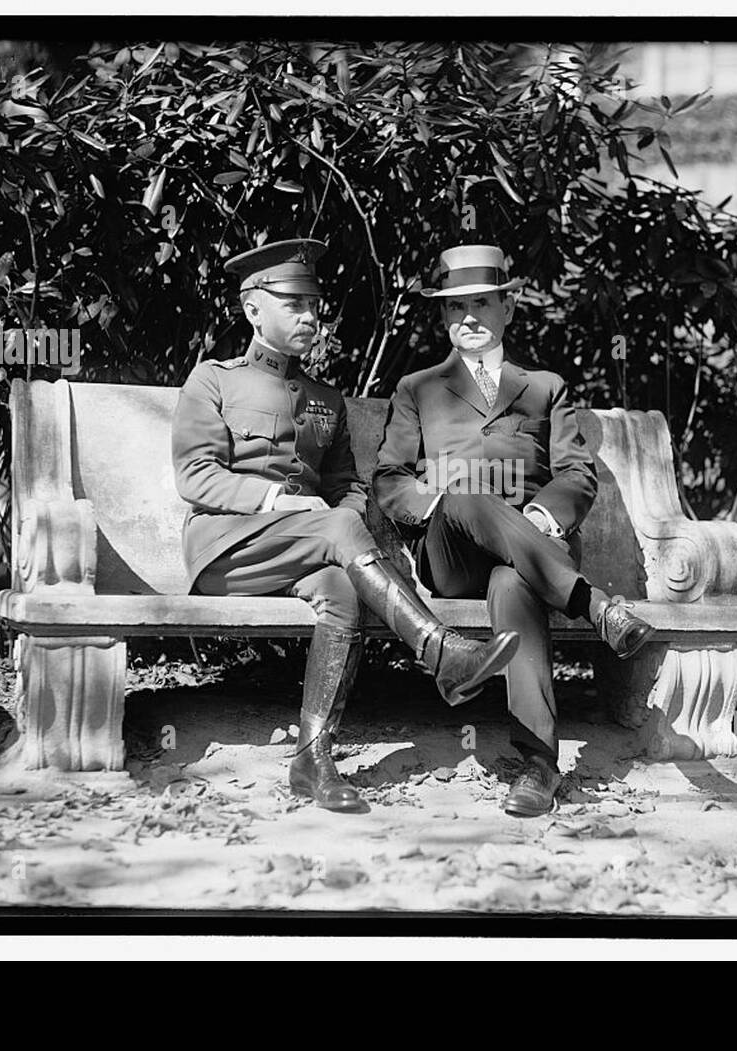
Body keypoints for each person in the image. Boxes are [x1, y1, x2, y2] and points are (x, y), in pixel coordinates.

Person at [171, 238, 519, 813]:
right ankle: (441, 652)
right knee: (335, 532)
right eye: (294, 305)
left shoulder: (323, 397)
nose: (311, 316)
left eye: (314, 305)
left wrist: (348, 517)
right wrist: (277, 504)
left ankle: (312, 758)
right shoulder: (213, 380)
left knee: (342, 594)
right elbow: (195, 476)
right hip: (226, 550)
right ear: (253, 308)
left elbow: (344, 487)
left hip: (312, 550)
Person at [373, 244, 655, 818]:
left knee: (512, 583)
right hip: (450, 546)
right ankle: (595, 605)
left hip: (533, 547)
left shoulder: (545, 386)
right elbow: (389, 478)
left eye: (481, 303)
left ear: (508, 307)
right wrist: (432, 507)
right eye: (455, 309)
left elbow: (576, 473)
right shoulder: (417, 388)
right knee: (465, 493)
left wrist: (542, 518)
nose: (468, 318)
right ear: (443, 318)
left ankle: (537, 767)